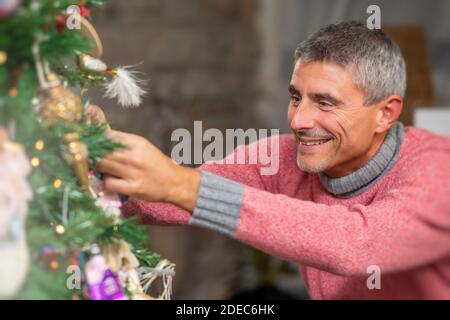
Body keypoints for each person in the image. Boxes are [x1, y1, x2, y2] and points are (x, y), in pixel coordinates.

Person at [88, 21, 450, 299]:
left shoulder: (437, 169)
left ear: (386, 114)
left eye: (325, 103)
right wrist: (96, 162)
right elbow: (168, 198)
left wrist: (184, 186)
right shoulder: (284, 156)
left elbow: (358, 244)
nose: (298, 121)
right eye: (296, 97)